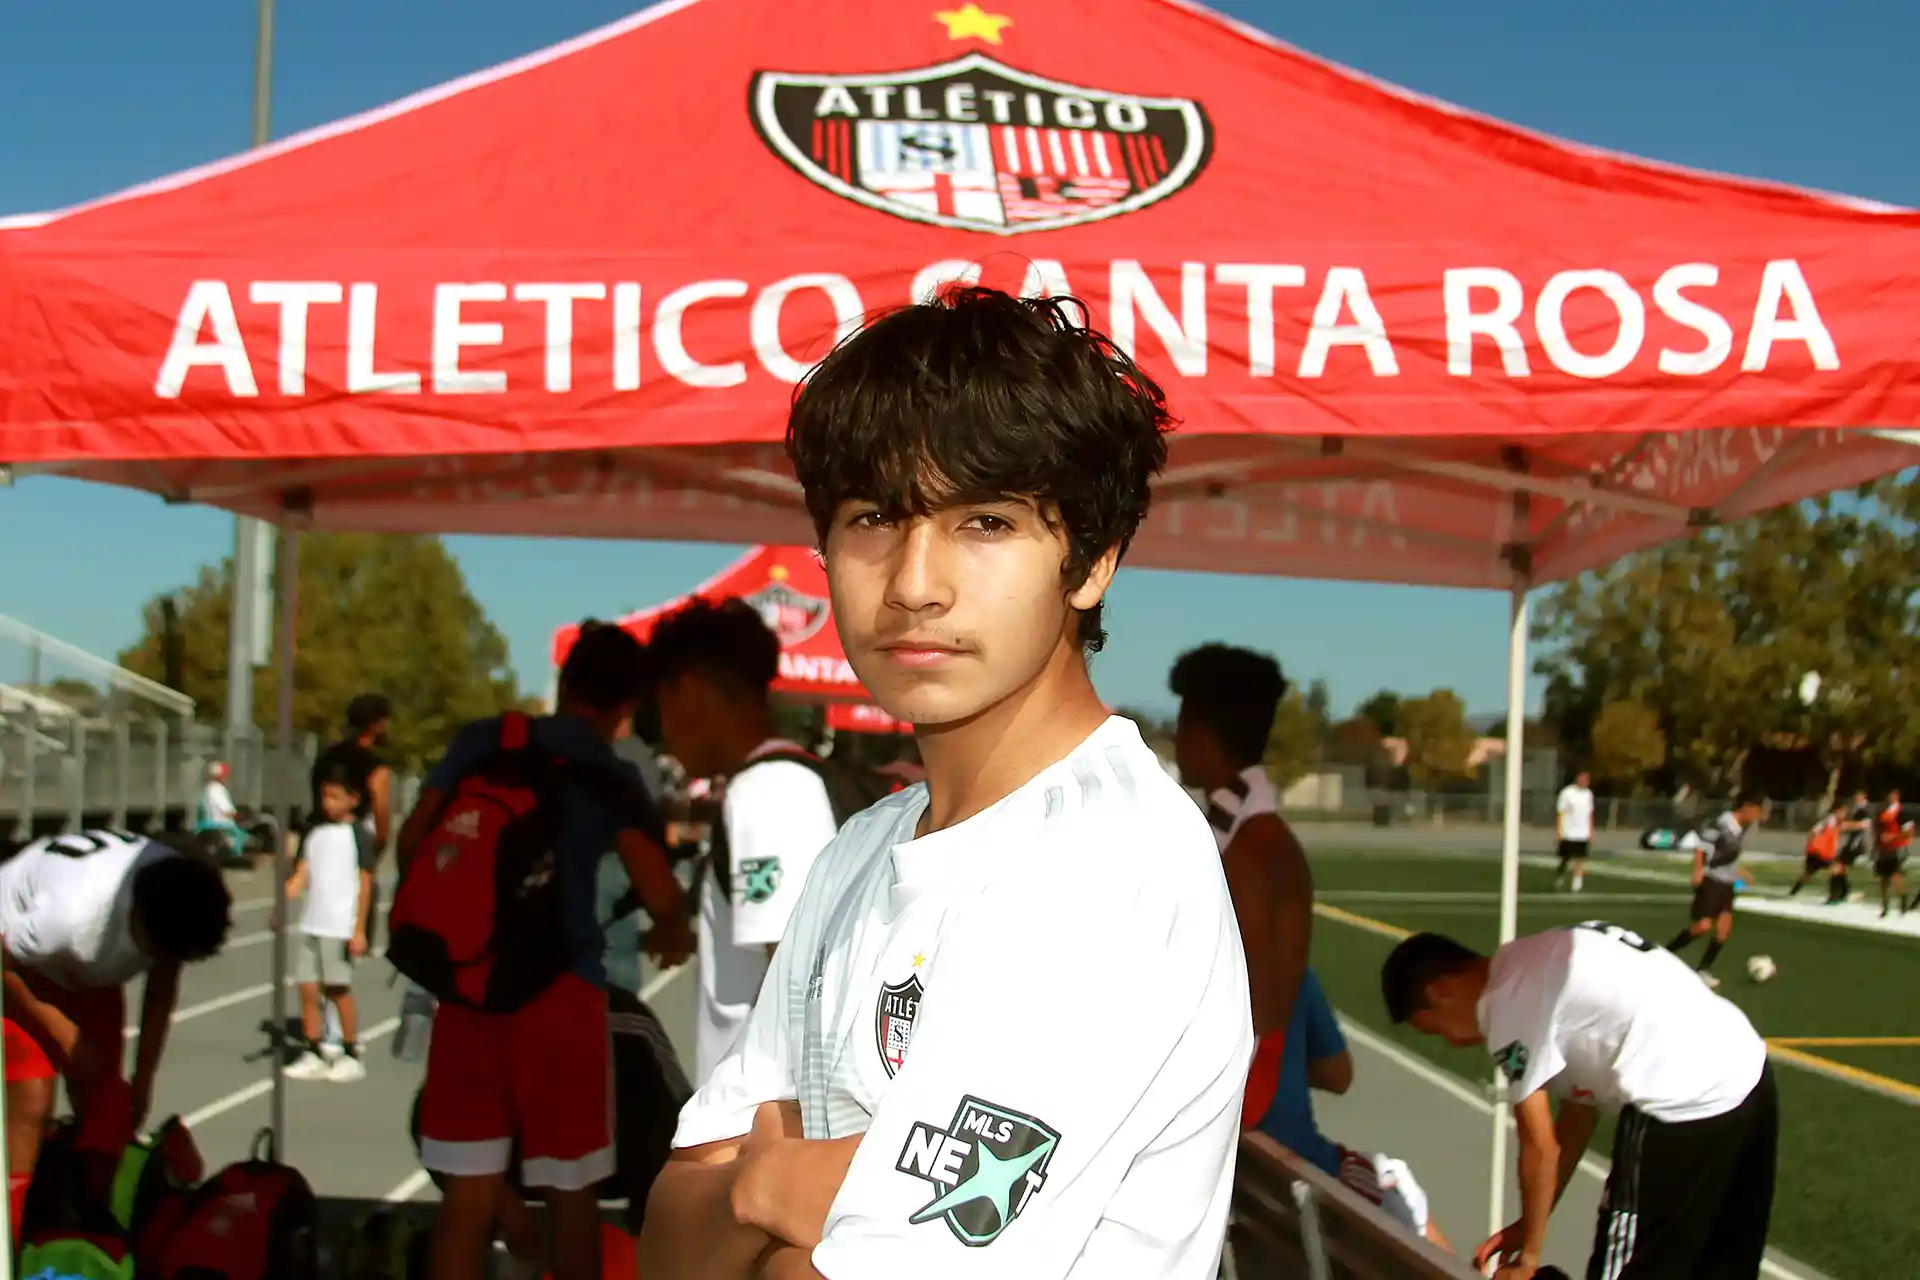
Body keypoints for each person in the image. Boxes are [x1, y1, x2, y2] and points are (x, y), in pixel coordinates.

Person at [642, 286, 1250, 1280]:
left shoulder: (1108, 866)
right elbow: (669, 1234)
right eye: (875, 516)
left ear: (1092, 557)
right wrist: (772, 1190)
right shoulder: (858, 851)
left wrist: (755, 1193)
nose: (915, 582)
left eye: (986, 520)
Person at [402, 625, 694, 1280]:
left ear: (564, 683)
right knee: (571, 1192)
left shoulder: (483, 742)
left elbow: (412, 842)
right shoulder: (606, 771)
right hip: (561, 1002)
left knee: (470, 1196)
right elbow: (657, 886)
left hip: (466, 992)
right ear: (629, 706)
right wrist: (670, 930)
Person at [1383, 925, 1777, 1280]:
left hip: (1679, 1099)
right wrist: (1529, 1226)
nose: (1453, 1042)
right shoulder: (1534, 961)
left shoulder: (1507, 1004)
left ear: (1439, 991)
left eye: (1436, 1031)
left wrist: (1528, 1261)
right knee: (1724, 1262)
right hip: (1748, 1072)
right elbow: (1577, 1114)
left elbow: (1539, 1147)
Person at [644, 596, 842, 1084]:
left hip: (756, 1122)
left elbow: (794, 981)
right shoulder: (784, 780)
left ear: (688, 692)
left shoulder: (766, 791)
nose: (663, 730)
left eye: (660, 705)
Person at [0, 829, 233, 1231]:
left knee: (111, 1107)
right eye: (155, 952)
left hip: (87, 973)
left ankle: (91, 1238)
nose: (160, 961)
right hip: (17, 965)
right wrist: (56, 1027)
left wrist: (144, 1078)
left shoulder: (177, 895)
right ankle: (12, 1241)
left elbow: (160, 991)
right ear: (134, 918)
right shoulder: (65, 917)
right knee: (32, 1102)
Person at [1168, 643, 1312, 1126]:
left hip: (1233, 1107)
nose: (1176, 738)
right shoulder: (1254, 835)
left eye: (1181, 724)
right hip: (1240, 1096)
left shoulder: (1249, 852)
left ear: (1203, 735)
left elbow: (1253, 1013)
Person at [1252, 968, 1448, 1251]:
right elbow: (1338, 1075)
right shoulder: (1289, 971)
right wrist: (1284, 1069)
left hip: (1240, 1196)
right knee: (1397, 1185)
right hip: (1306, 1183)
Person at [280, 766, 378, 1083]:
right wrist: (281, 904)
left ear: (353, 799)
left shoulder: (359, 835)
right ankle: (313, 1050)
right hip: (312, 922)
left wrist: (359, 929)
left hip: (340, 925)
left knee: (338, 989)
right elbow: (301, 875)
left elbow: (365, 884)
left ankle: (350, 1053)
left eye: (336, 797)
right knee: (308, 989)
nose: (328, 803)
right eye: (325, 796)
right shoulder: (315, 832)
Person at [1663, 795, 1764, 988]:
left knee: (1723, 931)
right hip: (1712, 881)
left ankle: (1703, 970)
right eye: (1757, 811)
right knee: (1703, 926)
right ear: (1746, 807)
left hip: (1727, 884)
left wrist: (1742, 873)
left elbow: (1728, 859)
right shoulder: (1722, 823)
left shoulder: (1740, 829)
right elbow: (1702, 848)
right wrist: (1697, 871)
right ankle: (1666, 952)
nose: (1758, 816)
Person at [1789, 801, 1844, 898]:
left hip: (1814, 852)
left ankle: (1792, 893)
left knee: (1807, 875)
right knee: (1837, 869)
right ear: (1837, 811)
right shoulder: (1831, 820)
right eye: (1843, 812)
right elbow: (1815, 832)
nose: (1844, 814)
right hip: (1821, 853)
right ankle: (1835, 896)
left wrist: (1810, 845)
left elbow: (1813, 832)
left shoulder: (1828, 820)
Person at [1553, 771, 1595, 894]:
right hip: (1568, 832)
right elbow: (1561, 813)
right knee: (1565, 859)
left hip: (1582, 833)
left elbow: (1590, 814)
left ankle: (1577, 886)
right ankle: (1560, 877)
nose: (1585, 781)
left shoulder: (1588, 794)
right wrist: (1559, 831)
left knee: (1580, 859)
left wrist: (1591, 830)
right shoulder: (1567, 793)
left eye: (1587, 779)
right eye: (1583, 779)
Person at [1873, 788, 1912, 918]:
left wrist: (1893, 837)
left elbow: (1908, 832)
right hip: (1884, 849)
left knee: (1895, 876)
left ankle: (1903, 900)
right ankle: (1885, 906)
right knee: (1883, 878)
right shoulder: (1884, 812)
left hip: (1896, 848)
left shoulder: (1902, 812)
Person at [1833, 789, 1872, 905]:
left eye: (1858, 796)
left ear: (1863, 796)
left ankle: (1840, 893)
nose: (1856, 798)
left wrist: (1848, 825)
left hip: (1857, 843)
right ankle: (1843, 892)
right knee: (1839, 866)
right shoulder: (1856, 809)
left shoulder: (1865, 809)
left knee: (1838, 865)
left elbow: (1865, 824)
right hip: (1852, 842)